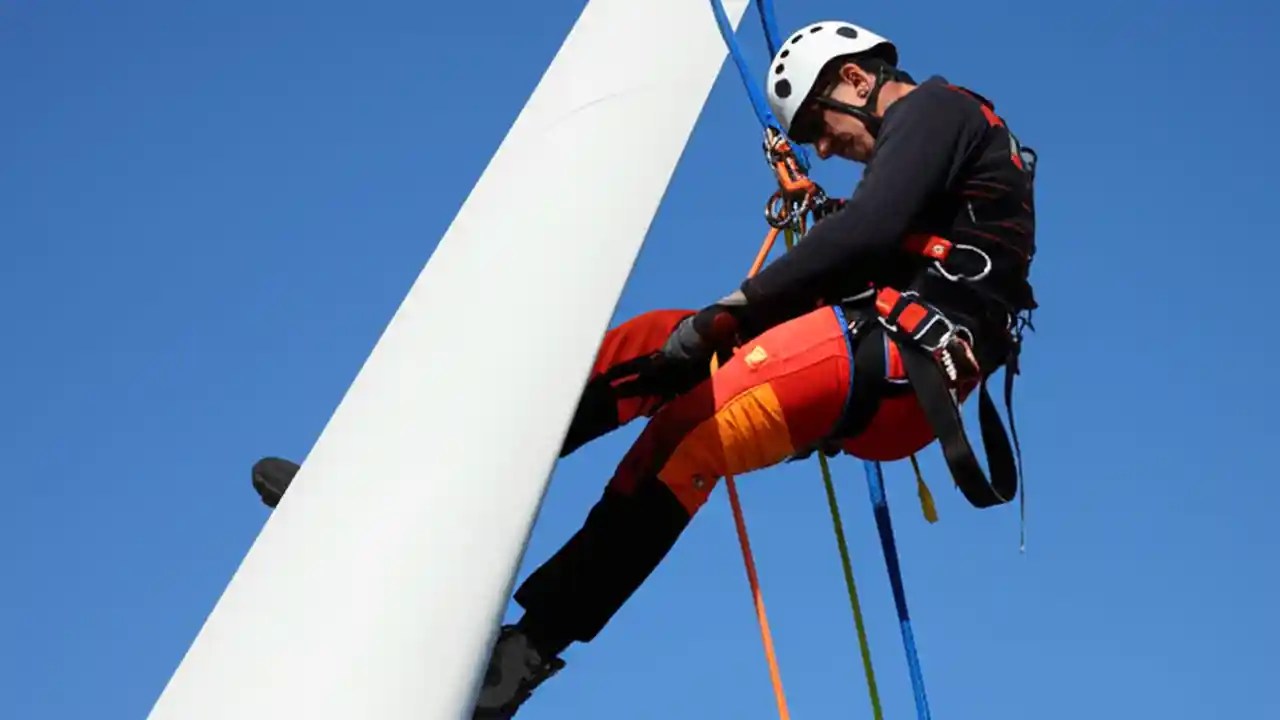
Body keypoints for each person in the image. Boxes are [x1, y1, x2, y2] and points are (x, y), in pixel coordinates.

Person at [250, 19, 1040, 719]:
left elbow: (869, 235)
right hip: (884, 361)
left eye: (819, 128)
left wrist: (730, 316)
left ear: (858, 79)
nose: (823, 149)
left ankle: (522, 655)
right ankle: (393, 483)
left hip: (897, 363)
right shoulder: (944, 141)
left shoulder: (933, 110)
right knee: (648, 345)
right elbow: (878, 237)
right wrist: (724, 313)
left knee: (687, 429)